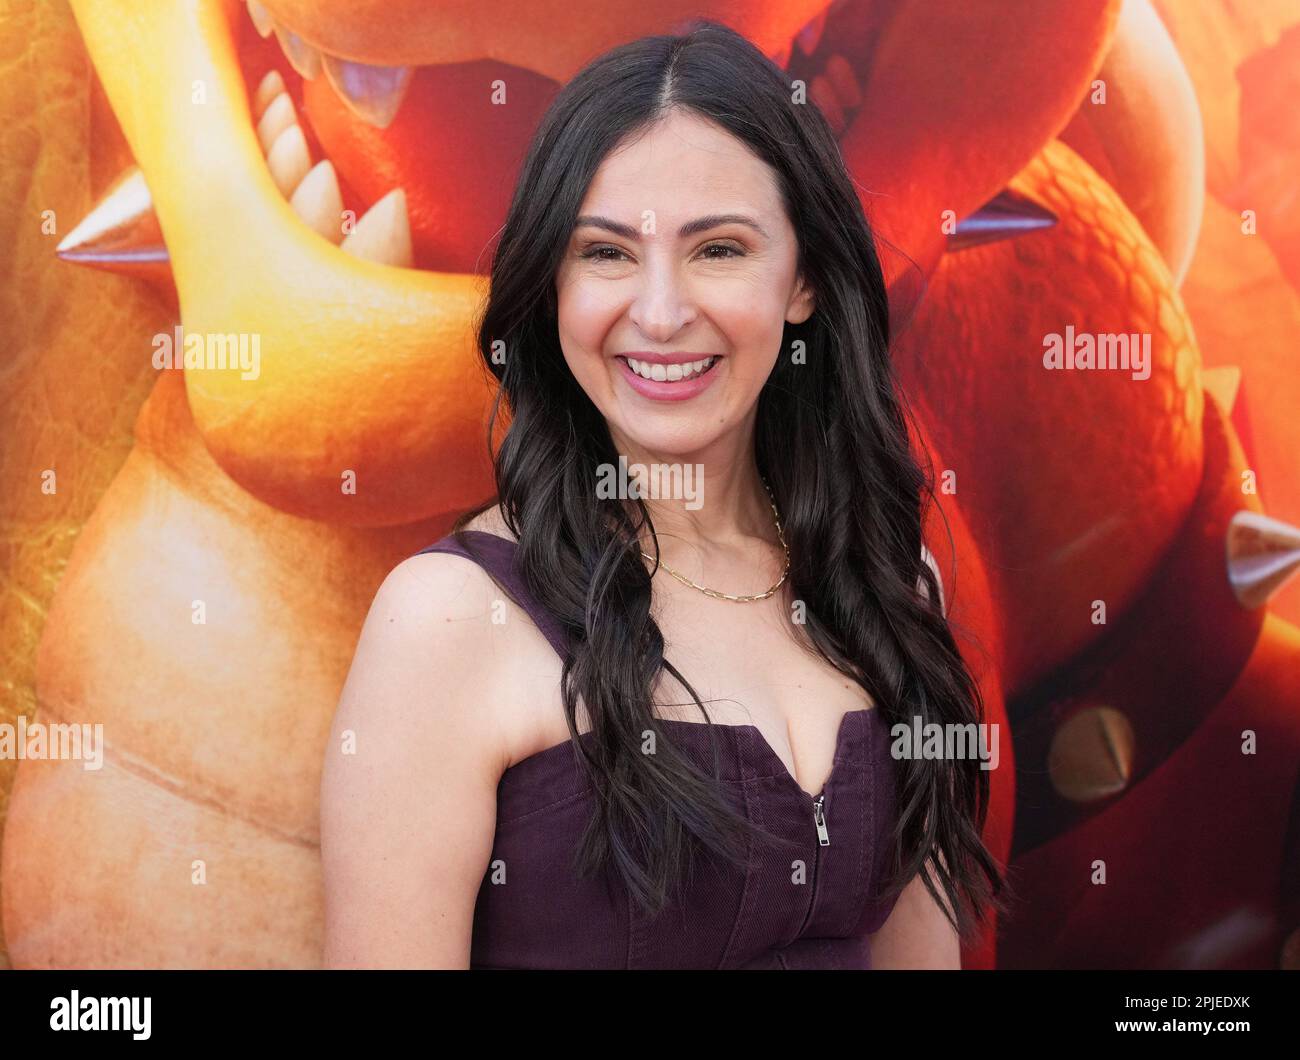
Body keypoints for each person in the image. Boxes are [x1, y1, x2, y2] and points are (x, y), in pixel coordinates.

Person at [321, 19, 1007, 969]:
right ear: (552, 286)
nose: (660, 312)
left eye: (717, 249)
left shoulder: (892, 586)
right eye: (604, 253)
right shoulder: (446, 622)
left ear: (802, 278)